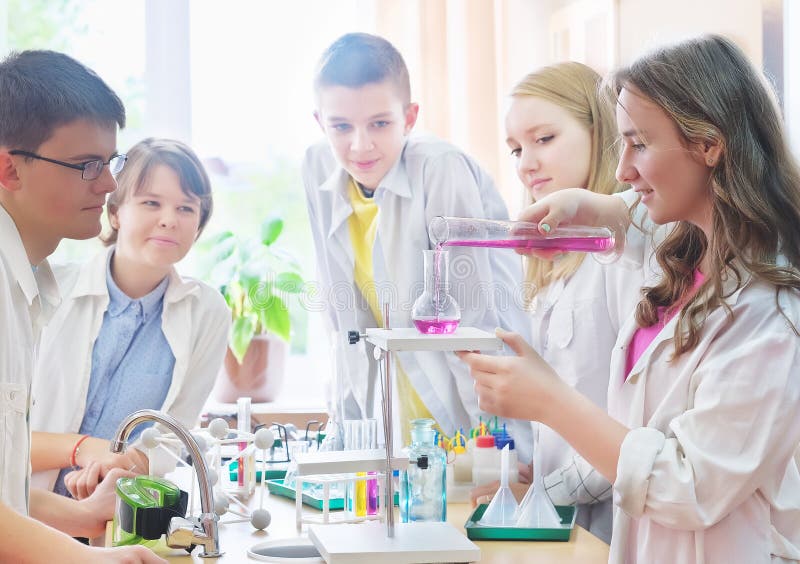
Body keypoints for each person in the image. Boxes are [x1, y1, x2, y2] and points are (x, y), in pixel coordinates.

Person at [458, 35, 800, 562]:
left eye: (639, 144)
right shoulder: (684, 247)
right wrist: (587, 206)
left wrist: (550, 401)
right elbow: (633, 215)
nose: (622, 170)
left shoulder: (769, 312)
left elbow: (686, 484)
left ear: (709, 144)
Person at [302, 32, 532, 455]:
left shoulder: (440, 169)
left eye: (380, 123)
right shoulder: (317, 166)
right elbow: (341, 318)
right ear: (320, 122)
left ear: (409, 117)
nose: (360, 145)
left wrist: (491, 446)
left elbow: (473, 323)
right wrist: (344, 430)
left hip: (471, 405)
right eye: (341, 126)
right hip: (394, 415)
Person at [0, 49, 165, 563]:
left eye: (110, 161)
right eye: (86, 165)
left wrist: (80, 518)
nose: (110, 184)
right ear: (8, 168)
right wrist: (96, 560)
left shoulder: (25, 281)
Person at [469, 62, 641, 543]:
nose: (526, 162)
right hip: (567, 523)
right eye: (517, 149)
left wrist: (548, 491)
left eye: (543, 139)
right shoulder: (552, 262)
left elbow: (637, 428)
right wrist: (533, 473)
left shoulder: (622, 258)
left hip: (613, 527)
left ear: (601, 133)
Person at [30, 137, 231, 500]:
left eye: (186, 208)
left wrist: (113, 466)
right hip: (25, 513)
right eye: (151, 203)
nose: (169, 220)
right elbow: (8, 433)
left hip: (120, 512)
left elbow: (172, 438)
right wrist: (84, 448)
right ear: (115, 212)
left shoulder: (207, 311)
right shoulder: (47, 288)